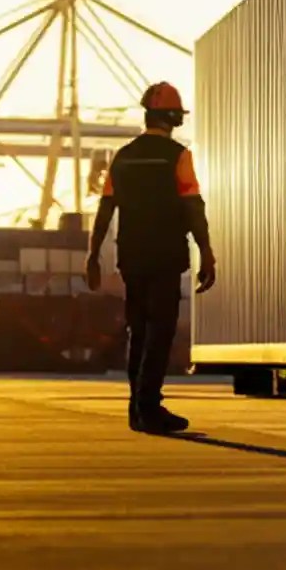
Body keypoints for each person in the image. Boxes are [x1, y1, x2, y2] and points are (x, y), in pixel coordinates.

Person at [86, 81, 217, 434]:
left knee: (138, 332)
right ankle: (150, 407)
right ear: (173, 117)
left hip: (131, 257)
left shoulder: (123, 157)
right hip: (165, 256)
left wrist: (92, 255)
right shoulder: (178, 156)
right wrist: (206, 252)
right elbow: (193, 207)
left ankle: (137, 410)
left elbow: (105, 209)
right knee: (160, 332)